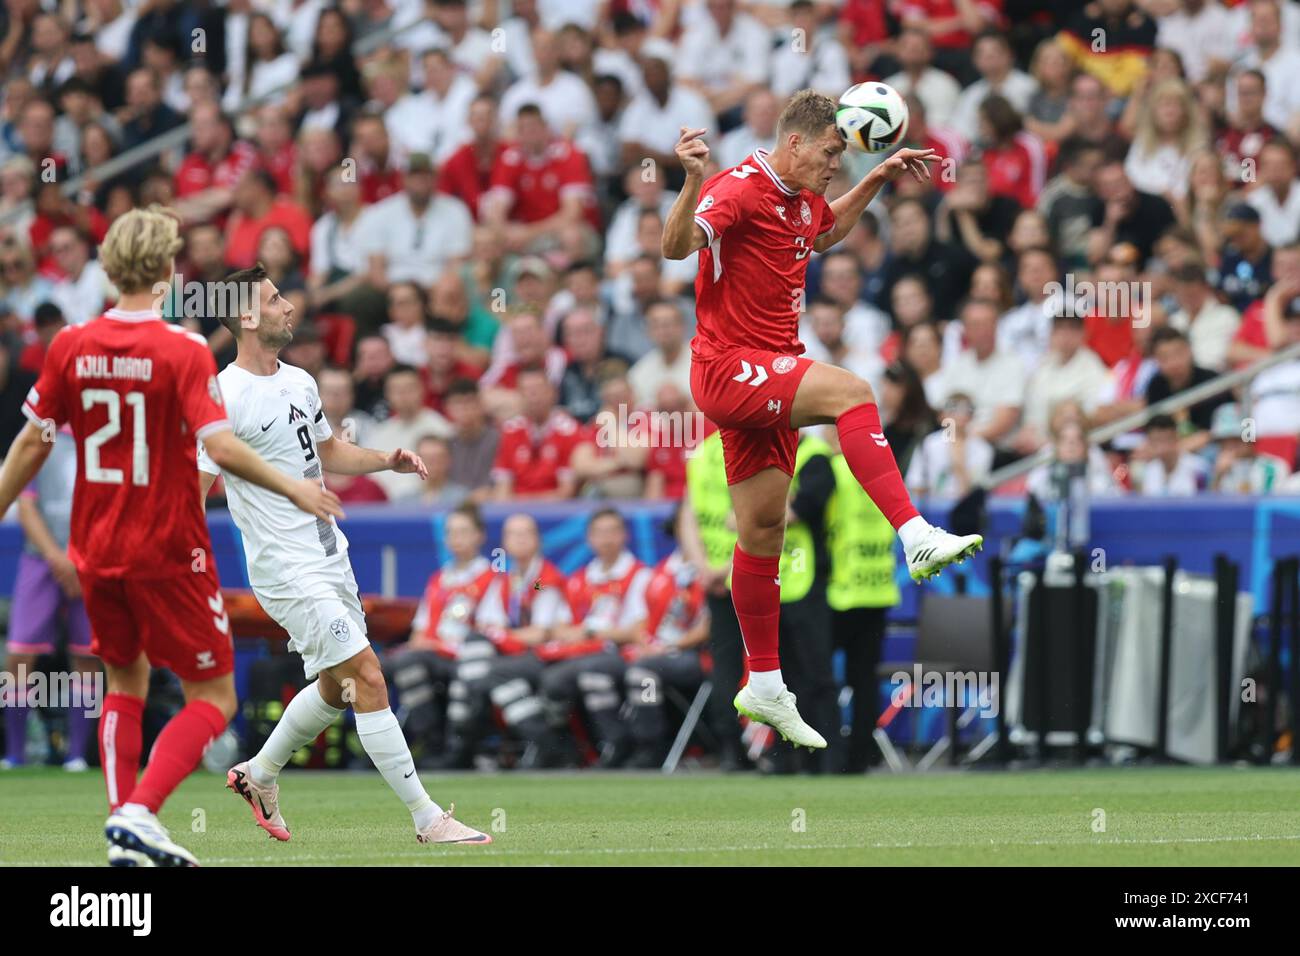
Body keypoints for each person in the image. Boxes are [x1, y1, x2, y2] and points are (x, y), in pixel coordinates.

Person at [0, 206, 342, 867]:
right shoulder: (183, 350)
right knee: (214, 695)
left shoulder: (69, 343)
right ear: (164, 271)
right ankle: (138, 811)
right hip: (165, 546)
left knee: (124, 683)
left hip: (93, 547)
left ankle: (123, 836)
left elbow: (29, 447)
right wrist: (293, 484)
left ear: (108, 266)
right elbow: (220, 446)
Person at [662, 90, 982, 749]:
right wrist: (691, 179)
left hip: (767, 375)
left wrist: (875, 178)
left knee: (763, 530)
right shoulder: (739, 186)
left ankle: (765, 683)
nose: (837, 162)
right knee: (853, 392)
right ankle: (915, 532)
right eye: (835, 152)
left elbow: (824, 231)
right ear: (797, 144)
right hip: (728, 368)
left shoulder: (802, 200)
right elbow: (675, 247)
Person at [195, 263, 489, 846]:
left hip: (330, 554)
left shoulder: (300, 380)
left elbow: (327, 450)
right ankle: (428, 818)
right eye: (275, 298)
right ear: (247, 316)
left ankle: (259, 773)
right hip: (286, 567)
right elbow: (194, 490)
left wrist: (386, 459)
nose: (288, 306)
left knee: (338, 688)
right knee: (369, 676)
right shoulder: (224, 395)